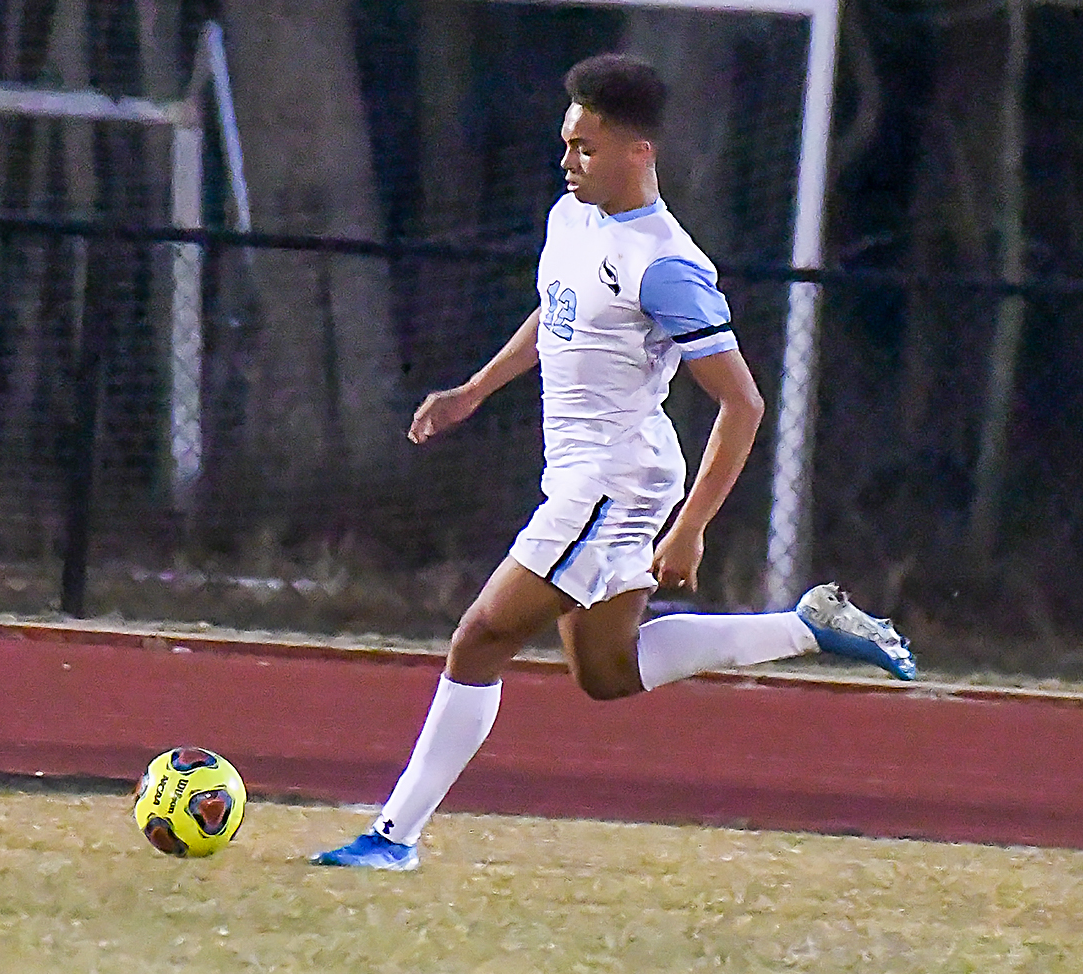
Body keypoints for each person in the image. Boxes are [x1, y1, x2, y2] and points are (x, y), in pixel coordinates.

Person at [312, 54, 912, 871]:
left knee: (479, 639)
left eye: (585, 148)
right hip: (585, 476)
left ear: (640, 152)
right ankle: (810, 627)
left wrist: (692, 527)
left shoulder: (666, 265)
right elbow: (556, 314)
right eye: (566, 144)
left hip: (612, 481)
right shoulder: (574, 220)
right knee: (606, 671)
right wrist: (476, 389)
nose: (569, 162)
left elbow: (743, 405)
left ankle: (393, 837)